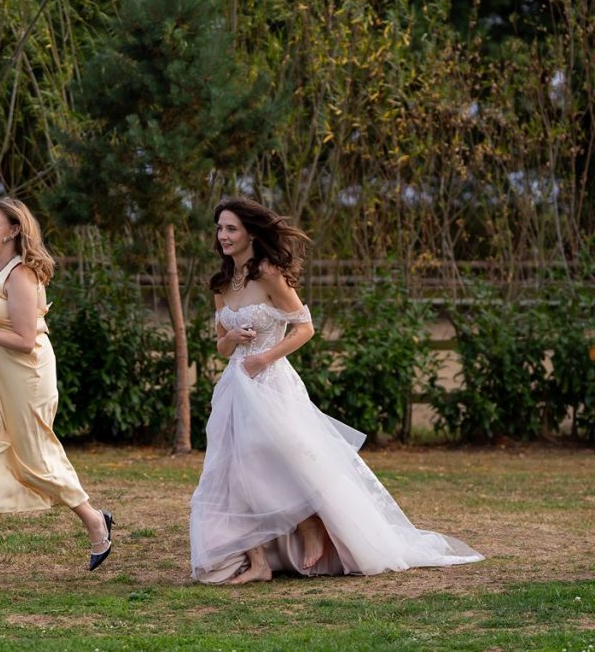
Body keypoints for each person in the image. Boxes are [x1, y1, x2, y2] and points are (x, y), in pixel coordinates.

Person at [189, 198, 483, 584]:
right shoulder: (222, 283)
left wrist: (264, 357)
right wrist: (234, 340)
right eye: (219, 229)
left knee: (285, 458)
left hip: (271, 382)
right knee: (230, 468)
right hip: (234, 385)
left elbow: (305, 327)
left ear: (250, 233)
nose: (223, 236)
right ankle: (258, 561)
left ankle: (312, 522)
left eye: (231, 228)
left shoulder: (269, 274)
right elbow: (221, 345)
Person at [0, 197, 113, 585]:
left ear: (15, 230)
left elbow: (26, 339)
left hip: (26, 375)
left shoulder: (21, 274)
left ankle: (95, 520)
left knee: (35, 457)